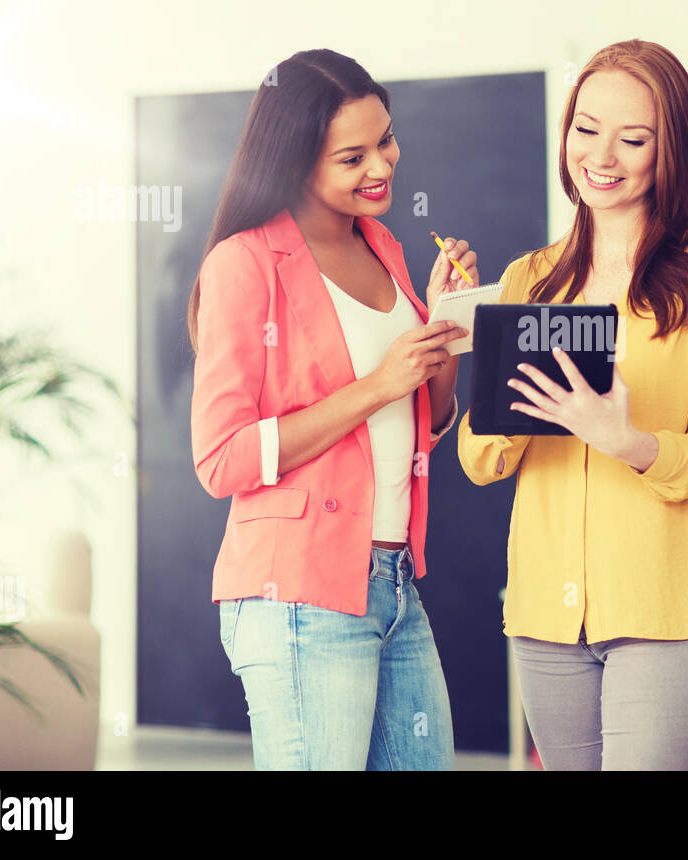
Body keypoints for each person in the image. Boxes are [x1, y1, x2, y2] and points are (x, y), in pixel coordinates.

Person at [456, 39, 688, 770]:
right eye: (585, 128)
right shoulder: (531, 278)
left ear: (673, 151)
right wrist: (497, 394)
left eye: (633, 139)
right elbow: (480, 460)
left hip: (677, 614)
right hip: (547, 614)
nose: (602, 155)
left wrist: (625, 438)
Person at [188, 49, 476, 769]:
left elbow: (417, 425)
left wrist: (442, 329)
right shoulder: (244, 263)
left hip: (394, 585)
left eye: (386, 139)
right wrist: (378, 384)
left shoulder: (383, 247)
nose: (381, 165)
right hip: (298, 595)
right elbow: (221, 460)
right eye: (353, 156)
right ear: (296, 161)